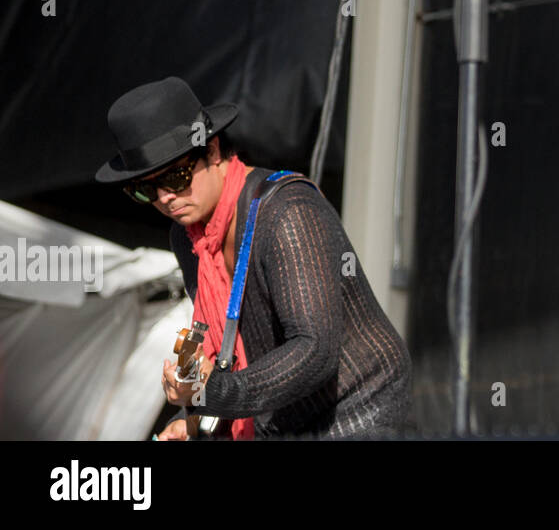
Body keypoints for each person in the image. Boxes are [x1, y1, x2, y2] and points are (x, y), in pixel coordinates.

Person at [95, 76, 412, 439]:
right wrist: (192, 418)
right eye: (145, 189)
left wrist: (216, 393)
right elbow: (221, 349)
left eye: (177, 176)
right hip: (283, 424)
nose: (166, 197)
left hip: (360, 415)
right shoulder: (187, 236)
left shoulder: (288, 211)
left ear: (212, 151)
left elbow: (315, 349)